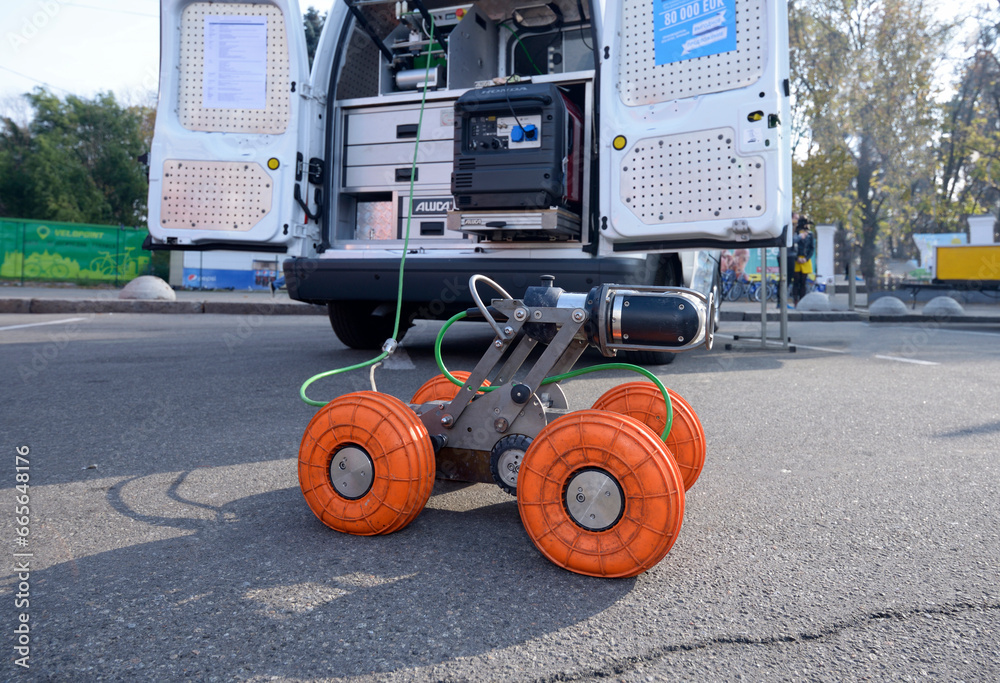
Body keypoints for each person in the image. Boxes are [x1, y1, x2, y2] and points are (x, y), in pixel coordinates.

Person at [792, 216, 815, 306]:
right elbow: (792, 246)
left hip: (805, 259)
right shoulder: (795, 233)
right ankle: (795, 300)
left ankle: (802, 300)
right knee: (796, 281)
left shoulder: (810, 234)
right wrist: (797, 257)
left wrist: (806, 258)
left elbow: (812, 248)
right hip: (796, 258)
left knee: (803, 281)